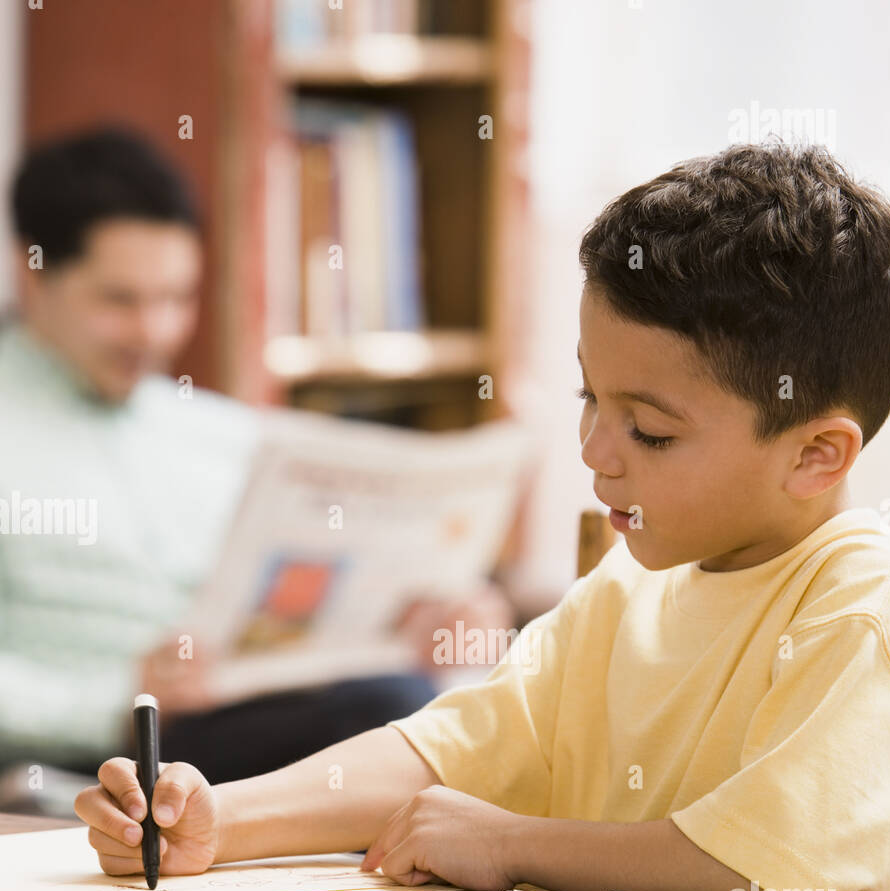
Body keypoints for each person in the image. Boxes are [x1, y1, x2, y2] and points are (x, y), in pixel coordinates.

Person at [76, 142, 890, 891]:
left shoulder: (856, 595)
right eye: (591, 396)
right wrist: (221, 820)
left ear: (817, 454)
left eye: (650, 431)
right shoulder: (632, 585)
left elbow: (763, 873)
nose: (593, 450)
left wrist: (512, 844)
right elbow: (448, 750)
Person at [0, 126, 513, 788]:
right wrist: (116, 698)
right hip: (110, 749)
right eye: (119, 301)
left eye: (176, 298)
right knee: (392, 720)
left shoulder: (227, 435)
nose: (154, 333)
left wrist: (426, 618)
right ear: (33, 274)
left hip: (265, 709)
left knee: (453, 706)